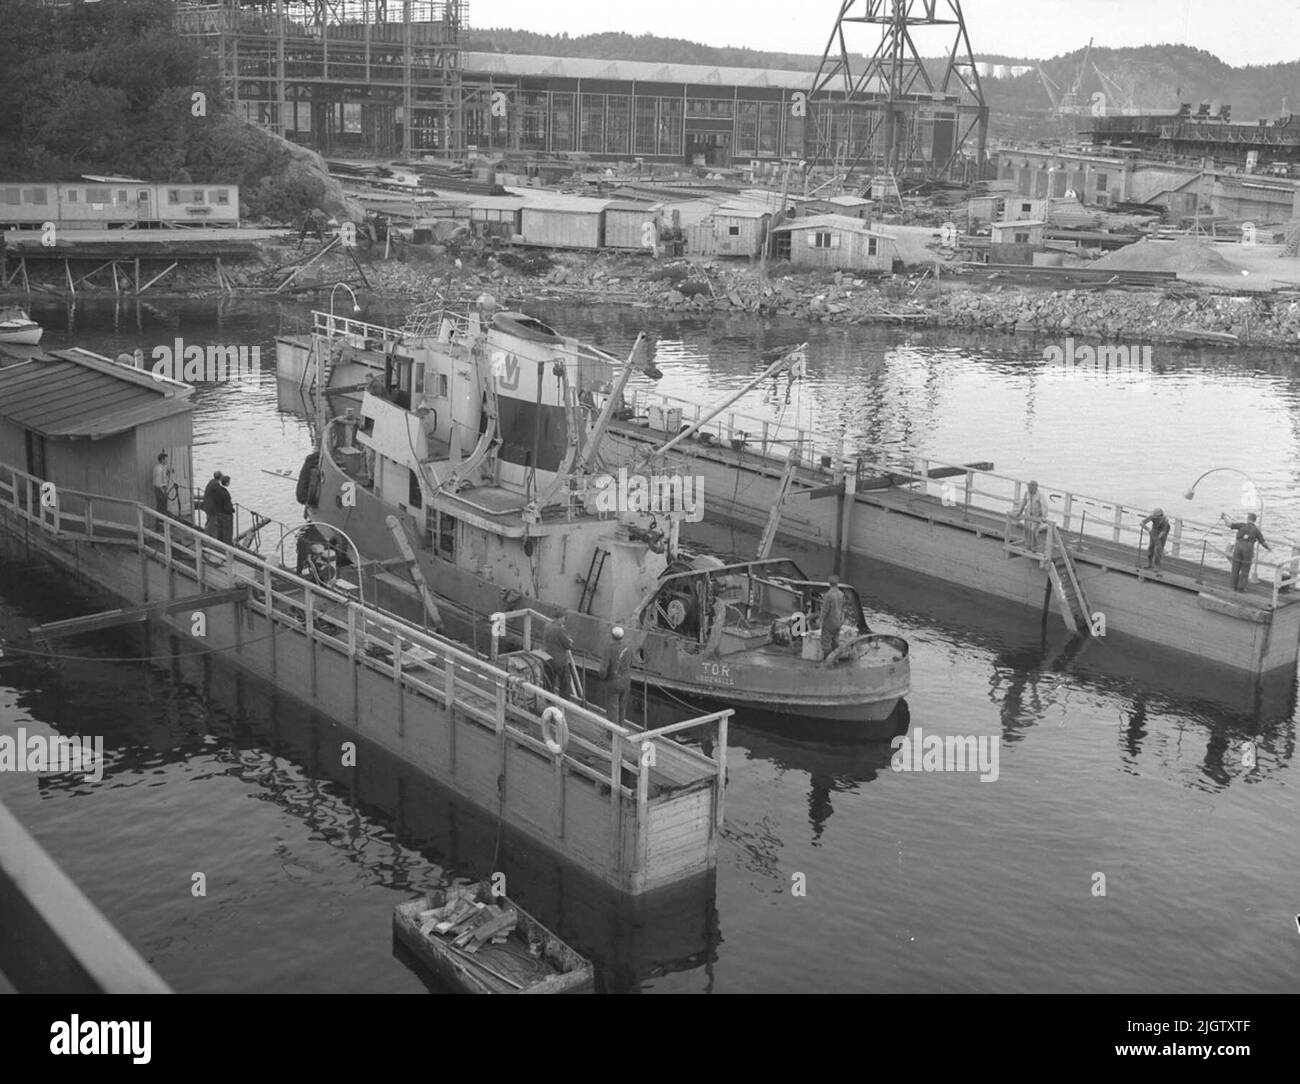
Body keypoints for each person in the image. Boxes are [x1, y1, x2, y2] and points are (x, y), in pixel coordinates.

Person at [1222, 512, 1270, 592]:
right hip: (1248, 549)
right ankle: (1241, 588)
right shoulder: (1256, 530)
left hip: (1238, 547)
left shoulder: (1242, 525)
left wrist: (1224, 517)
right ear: (1255, 520)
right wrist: (1269, 548)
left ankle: (1233, 586)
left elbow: (1229, 524)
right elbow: (1263, 542)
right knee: (1245, 568)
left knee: (1235, 567)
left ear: (1248, 519)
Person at [600, 626, 633, 725]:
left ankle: (612, 734)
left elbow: (603, 670)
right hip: (626, 682)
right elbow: (630, 663)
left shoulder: (609, 649)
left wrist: (603, 677)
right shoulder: (628, 648)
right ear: (622, 637)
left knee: (613, 708)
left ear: (612, 636)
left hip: (613, 683)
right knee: (622, 707)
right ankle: (621, 727)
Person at [543, 613, 574, 700]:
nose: (565, 621)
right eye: (564, 618)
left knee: (549, 681)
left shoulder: (547, 626)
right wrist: (570, 641)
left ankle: (548, 700)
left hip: (547, 658)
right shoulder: (559, 630)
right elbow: (568, 645)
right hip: (560, 661)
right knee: (565, 683)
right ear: (559, 618)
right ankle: (564, 703)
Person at [820, 575, 846, 661]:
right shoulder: (841, 594)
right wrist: (842, 620)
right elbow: (842, 608)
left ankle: (827, 662)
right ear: (837, 583)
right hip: (838, 621)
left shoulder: (828, 595)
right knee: (835, 641)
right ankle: (836, 659)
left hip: (829, 622)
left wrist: (820, 622)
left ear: (829, 583)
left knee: (826, 642)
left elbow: (824, 611)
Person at [1015, 479, 1046, 551]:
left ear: (1035, 487)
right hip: (1028, 513)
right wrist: (1020, 511)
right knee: (1027, 529)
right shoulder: (1027, 493)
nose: (1028, 488)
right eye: (1028, 486)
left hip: (1037, 515)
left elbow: (1044, 506)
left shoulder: (1040, 495)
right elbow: (1024, 502)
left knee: (1033, 531)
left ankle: (1034, 546)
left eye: (1030, 487)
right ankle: (1027, 545)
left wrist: (1044, 516)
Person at [1140, 507, 1171, 571]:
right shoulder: (1152, 516)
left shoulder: (1165, 520)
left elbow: (1163, 531)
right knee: (1151, 547)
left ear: (1161, 515)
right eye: (1155, 516)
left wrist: (1158, 539)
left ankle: (1157, 565)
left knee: (1158, 549)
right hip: (1154, 531)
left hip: (1163, 533)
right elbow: (1142, 523)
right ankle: (1149, 563)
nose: (1155, 518)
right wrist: (1148, 529)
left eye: (1157, 516)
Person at [212, 473, 235, 545]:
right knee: (227, 533)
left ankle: (220, 545)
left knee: (220, 531)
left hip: (218, 513)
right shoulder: (225, 493)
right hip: (226, 515)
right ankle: (227, 547)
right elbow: (227, 506)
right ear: (227, 483)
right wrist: (232, 510)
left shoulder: (217, 490)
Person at [201, 470, 223, 537]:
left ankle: (212, 536)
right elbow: (218, 496)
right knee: (211, 523)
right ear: (220, 477)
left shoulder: (211, 482)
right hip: (212, 508)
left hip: (207, 506)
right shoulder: (216, 485)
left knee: (210, 522)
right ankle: (206, 537)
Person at [151, 452, 172, 517]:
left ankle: (161, 523)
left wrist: (168, 471)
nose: (167, 461)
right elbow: (158, 483)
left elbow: (165, 473)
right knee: (162, 508)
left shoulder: (160, 467)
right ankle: (161, 524)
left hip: (161, 489)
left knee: (162, 507)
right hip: (160, 490)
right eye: (166, 459)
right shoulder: (159, 469)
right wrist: (163, 491)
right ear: (162, 460)